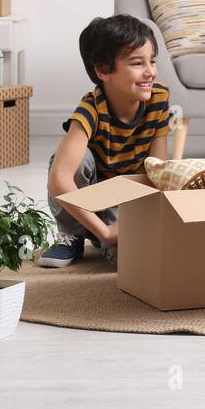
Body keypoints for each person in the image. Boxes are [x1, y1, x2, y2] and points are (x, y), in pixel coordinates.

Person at [38, 15, 171, 268]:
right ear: (103, 70)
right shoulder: (91, 110)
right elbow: (59, 181)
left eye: (152, 61)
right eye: (136, 63)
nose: (150, 72)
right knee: (73, 161)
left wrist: (142, 219)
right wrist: (106, 233)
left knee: (136, 261)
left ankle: (104, 236)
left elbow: (159, 168)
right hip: (89, 196)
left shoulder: (159, 99)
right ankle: (72, 234)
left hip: (128, 198)